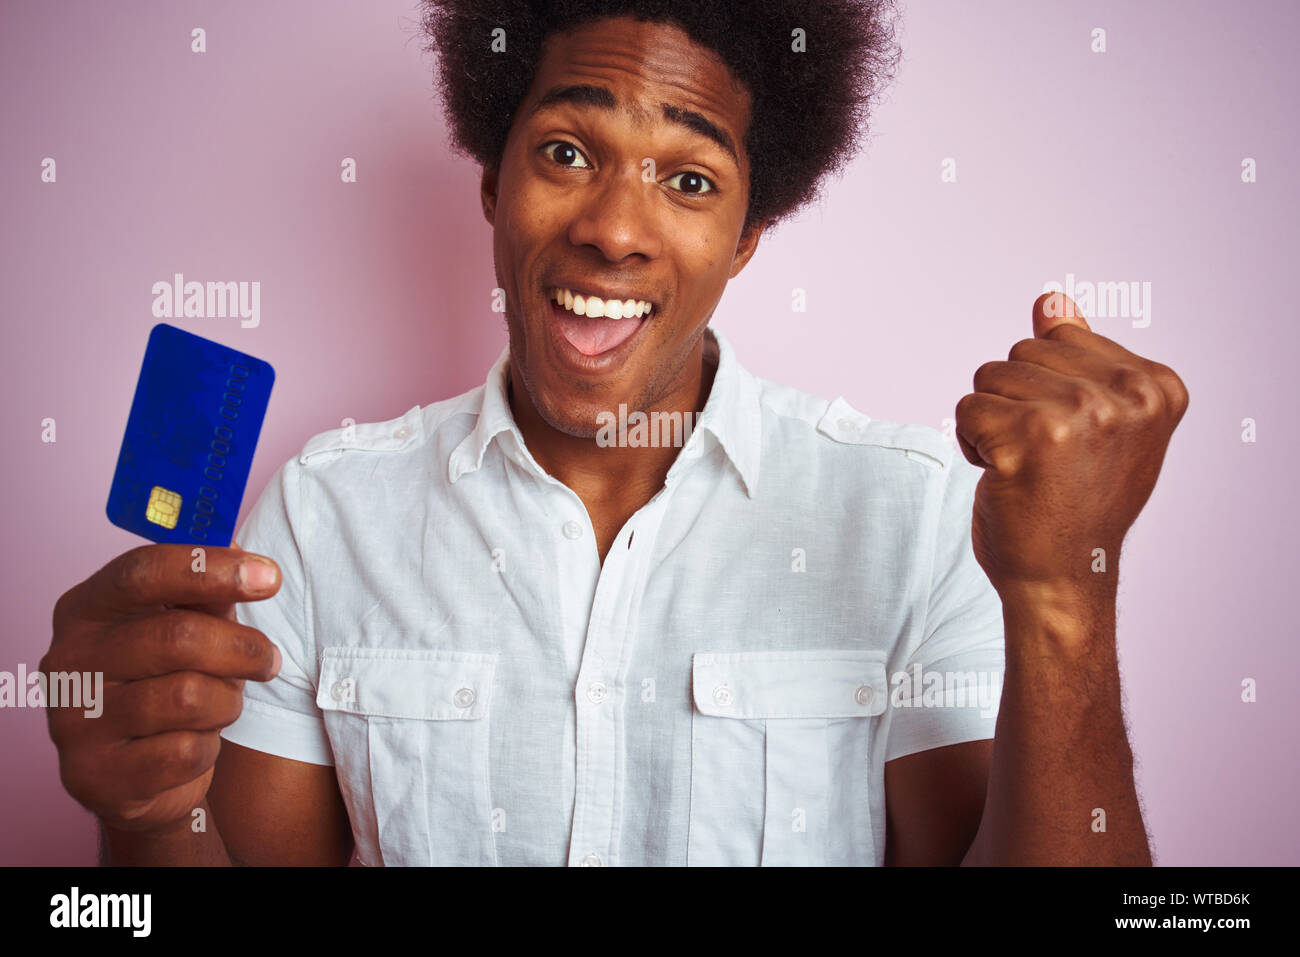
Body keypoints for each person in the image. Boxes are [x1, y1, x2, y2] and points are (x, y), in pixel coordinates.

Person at [44, 0, 1187, 866]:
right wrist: (146, 812)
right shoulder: (325, 515)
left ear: (746, 239)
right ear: (491, 182)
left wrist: (1062, 599)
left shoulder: (919, 513)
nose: (614, 230)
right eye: (565, 153)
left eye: (688, 178)